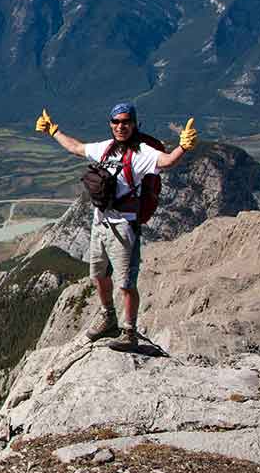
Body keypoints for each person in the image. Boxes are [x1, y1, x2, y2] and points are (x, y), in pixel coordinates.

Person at [34, 102, 197, 352]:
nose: (120, 126)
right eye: (116, 122)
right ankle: (108, 317)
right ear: (111, 124)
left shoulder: (142, 153)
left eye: (125, 122)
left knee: (126, 283)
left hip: (123, 228)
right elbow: (77, 148)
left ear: (134, 124)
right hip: (100, 223)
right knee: (98, 275)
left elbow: (166, 162)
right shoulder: (105, 149)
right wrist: (53, 131)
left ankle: (129, 332)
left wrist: (183, 148)